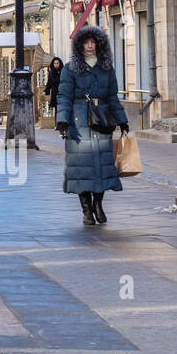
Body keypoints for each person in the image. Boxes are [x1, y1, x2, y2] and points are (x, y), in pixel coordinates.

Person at [56, 25, 129, 226]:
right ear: (80, 45)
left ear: (98, 44)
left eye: (93, 42)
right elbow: (63, 96)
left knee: (102, 167)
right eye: (86, 42)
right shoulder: (70, 69)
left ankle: (98, 204)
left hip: (102, 121)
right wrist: (62, 120)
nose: (89, 46)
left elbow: (112, 96)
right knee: (81, 168)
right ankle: (86, 209)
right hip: (78, 121)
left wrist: (122, 119)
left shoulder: (107, 68)